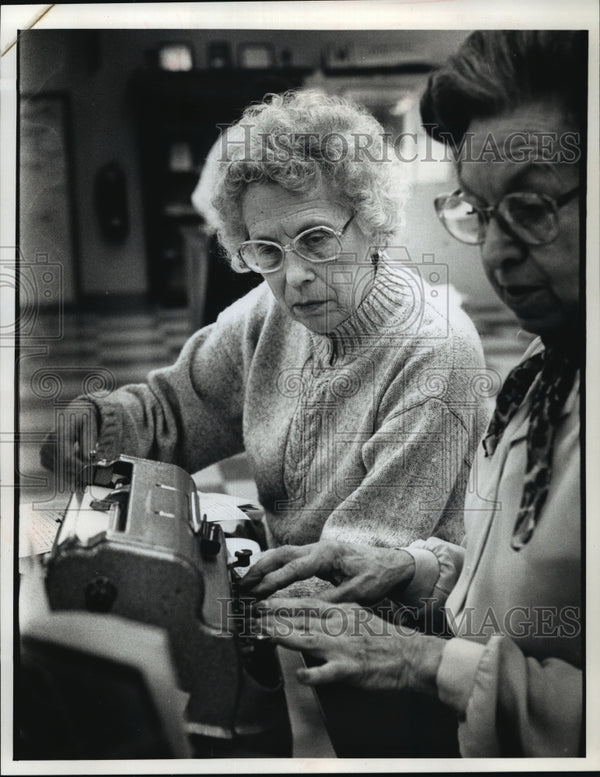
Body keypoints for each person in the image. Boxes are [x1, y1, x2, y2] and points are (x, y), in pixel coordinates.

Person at [243, 31, 586, 756]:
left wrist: (424, 660)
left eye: (529, 207)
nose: (493, 251)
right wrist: (420, 567)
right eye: (480, 213)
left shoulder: (446, 346)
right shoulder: (547, 362)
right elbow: (524, 602)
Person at [41, 89, 486, 593]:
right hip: (297, 599)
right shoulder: (269, 312)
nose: (294, 275)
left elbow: (360, 572)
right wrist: (98, 426)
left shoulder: (434, 351)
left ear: (372, 223)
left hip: (390, 635)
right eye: (267, 250)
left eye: (316, 239)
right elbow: (176, 412)